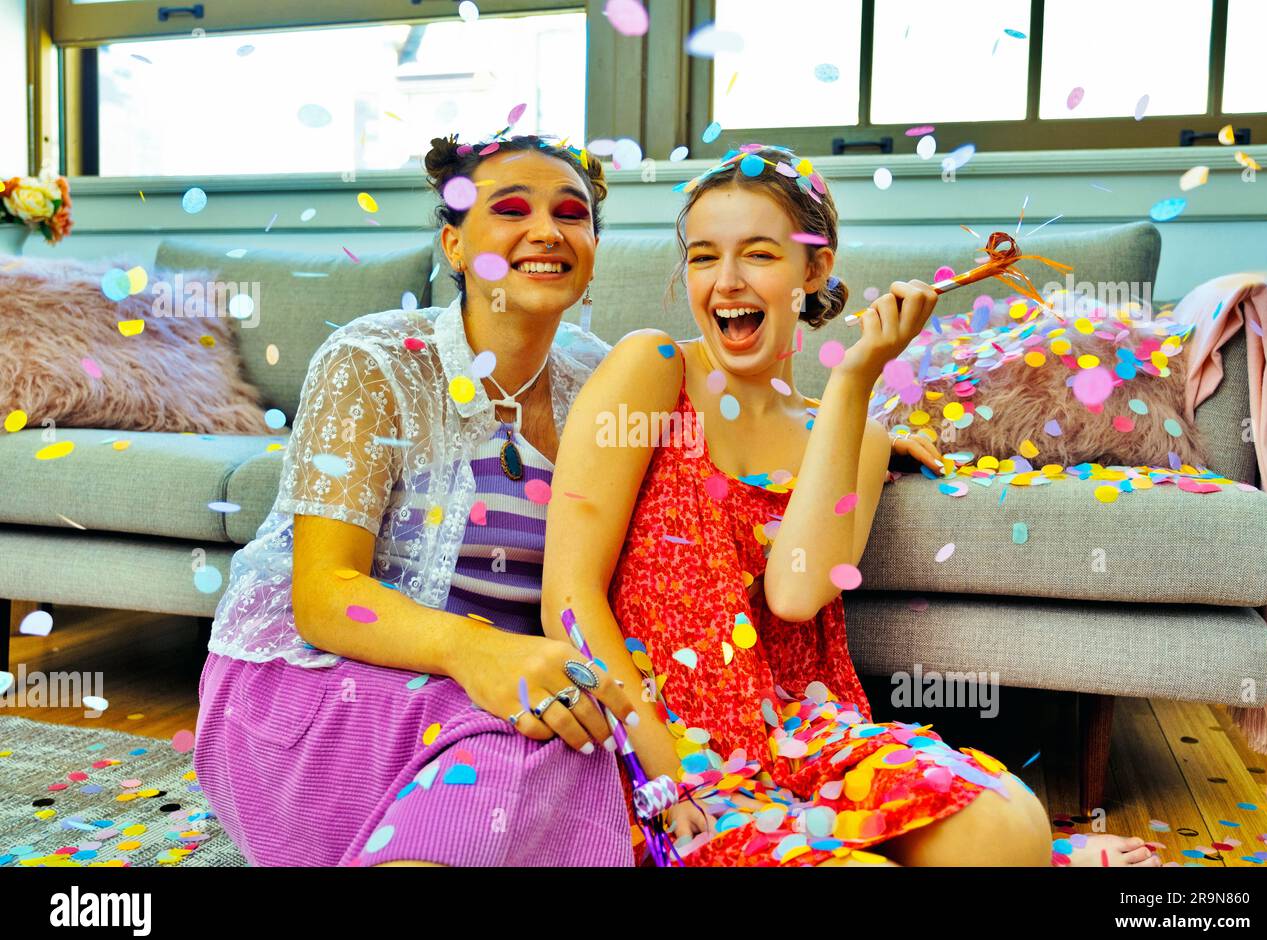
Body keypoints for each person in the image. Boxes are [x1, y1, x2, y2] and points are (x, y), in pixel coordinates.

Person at [541, 144, 1160, 867]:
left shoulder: (856, 435)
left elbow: (796, 593)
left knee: (1010, 830)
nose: (726, 282)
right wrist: (661, 767)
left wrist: (853, 381)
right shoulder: (652, 370)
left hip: (810, 734)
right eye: (705, 257)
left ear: (815, 270)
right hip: (664, 746)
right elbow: (569, 596)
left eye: (760, 255)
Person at [194, 131, 638, 867]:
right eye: (512, 209)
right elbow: (325, 596)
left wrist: (867, 431)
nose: (548, 231)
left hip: (502, 680)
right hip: (318, 676)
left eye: (572, 212)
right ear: (455, 246)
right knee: (538, 744)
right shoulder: (374, 361)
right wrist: (480, 652)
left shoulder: (602, 378)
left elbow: (733, 413)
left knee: (575, 737)